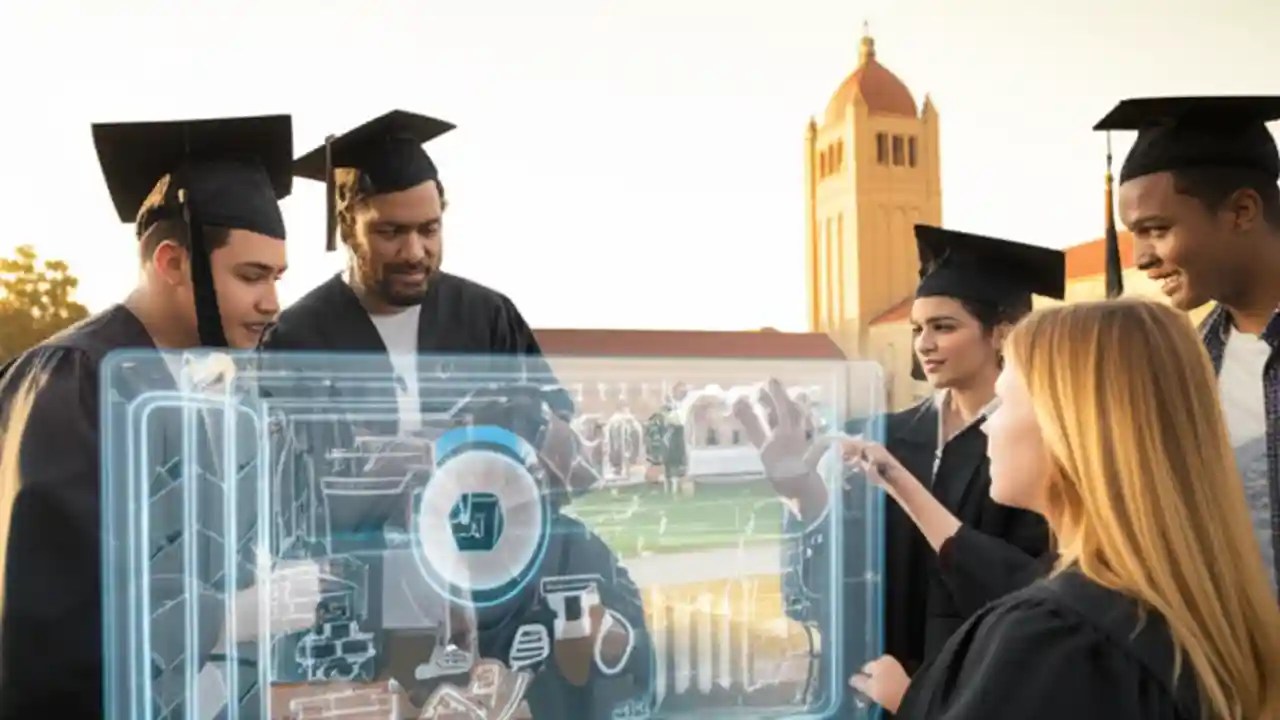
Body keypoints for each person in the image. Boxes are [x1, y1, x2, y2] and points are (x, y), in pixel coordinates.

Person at [263, 110, 652, 718]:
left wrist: (491, 441)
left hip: (498, 593)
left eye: (430, 229)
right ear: (347, 225)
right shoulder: (297, 337)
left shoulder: (488, 317)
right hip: (363, 607)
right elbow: (284, 497)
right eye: (390, 232)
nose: (415, 250)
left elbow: (564, 457)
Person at [0, 114, 324, 717]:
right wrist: (222, 619)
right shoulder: (72, 379)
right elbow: (43, 611)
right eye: (251, 276)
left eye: (277, 277)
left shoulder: (217, 384)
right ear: (173, 263)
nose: (272, 303)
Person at [849, 299, 1280, 719]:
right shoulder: (1205, 612)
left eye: (1003, 403)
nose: (988, 426)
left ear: (1069, 427)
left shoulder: (1053, 641)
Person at [745, 225, 1062, 713]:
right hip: (868, 687)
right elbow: (826, 586)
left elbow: (1034, 589)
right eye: (917, 329)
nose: (923, 344)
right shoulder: (879, 435)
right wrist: (803, 495)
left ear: (1001, 333)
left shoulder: (1037, 450)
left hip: (977, 694)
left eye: (944, 326)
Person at [1094, 96, 1280, 596]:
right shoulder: (1194, 361)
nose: (1141, 259)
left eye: (1157, 229)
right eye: (1135, 235)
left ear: (1242, 211)